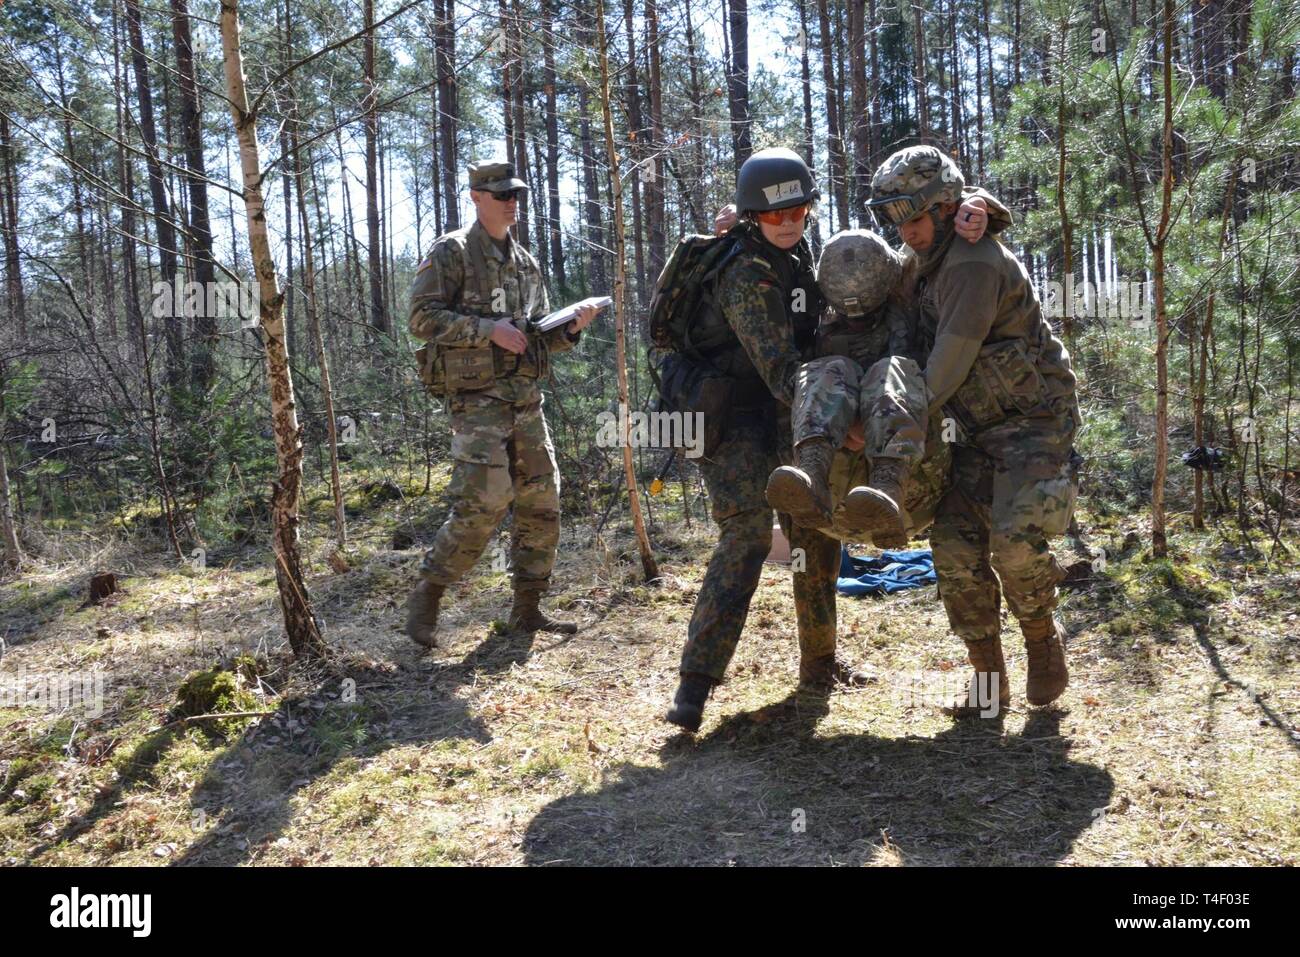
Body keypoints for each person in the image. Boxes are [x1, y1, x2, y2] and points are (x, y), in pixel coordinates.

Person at [866, 145, 1081, 716]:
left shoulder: (971, 265)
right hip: (972, 430)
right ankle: (989, 681)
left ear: (943, 209)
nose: (904, 234)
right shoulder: (923, 263)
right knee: (953, 547)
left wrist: (890, 427)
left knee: (1012, 544)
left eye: (912, 219)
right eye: (895, 222)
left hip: (1032, 423)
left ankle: (1041, 639)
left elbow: (944, 371)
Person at [405, 159, 602, 647]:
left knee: (542, 500)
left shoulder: (526, 262)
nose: (512, 203)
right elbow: (420, 318)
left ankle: (527, 608)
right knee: (486, 498)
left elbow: (532, 336)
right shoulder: (451, 252)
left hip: (524, 398)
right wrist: (486, 330)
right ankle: (429, 592)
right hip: (477, 401)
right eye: (501, 195)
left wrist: (569, 329)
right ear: (476, 197)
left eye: (516, 195)